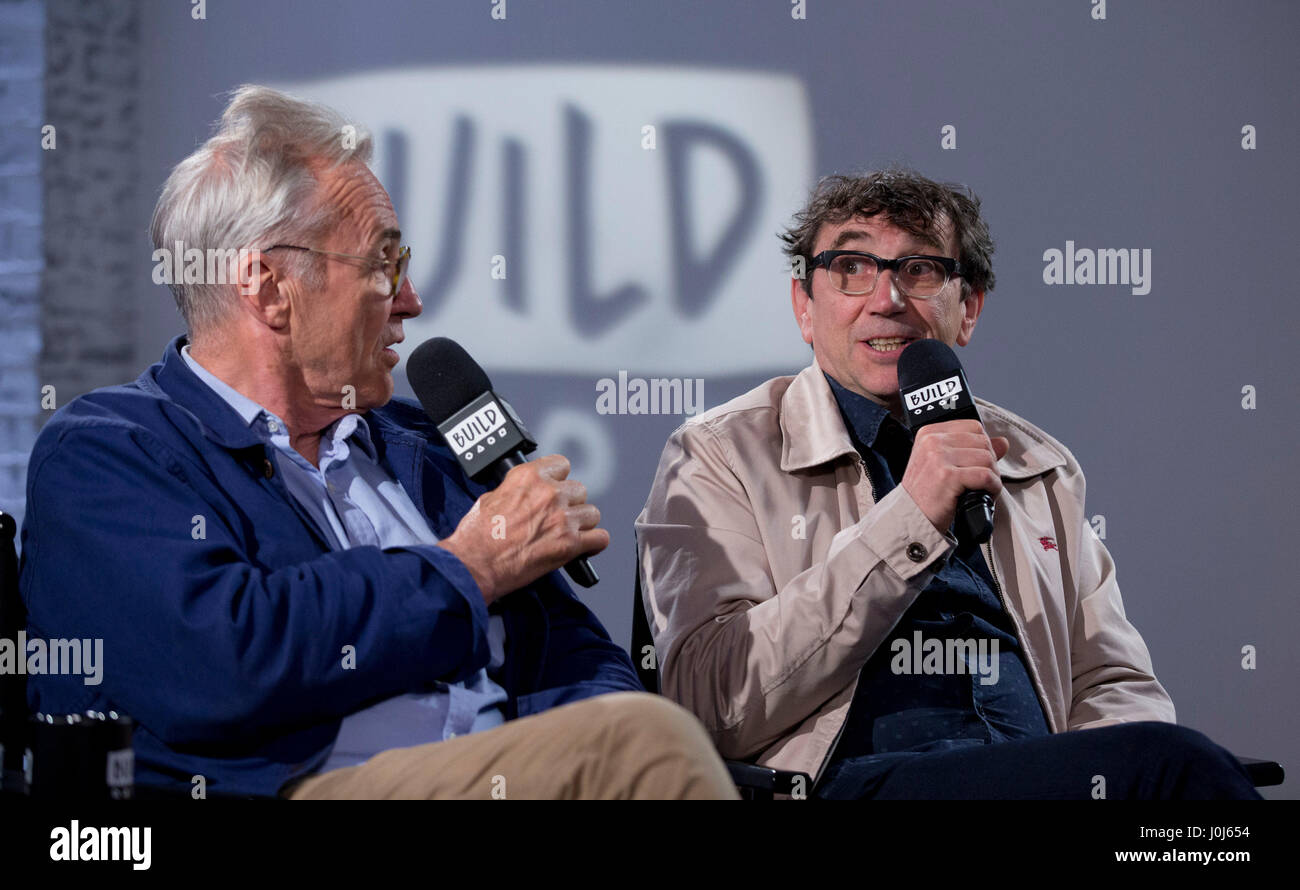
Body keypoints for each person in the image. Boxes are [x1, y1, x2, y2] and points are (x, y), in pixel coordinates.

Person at [19, 85, 736, 800]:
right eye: (383, 263)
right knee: (647, 747)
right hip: (293, 789)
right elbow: (220, 659)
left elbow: (574, 655)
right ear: (270, 289)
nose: (411, 300)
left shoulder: (425, 446)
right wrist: (468, 566)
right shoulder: (108, 453)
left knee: (638, 728)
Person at [635, 168, 1260, 799]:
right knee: (1180, 775)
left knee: (1176, 795)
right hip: (850, 786)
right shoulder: (721, 452)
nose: (886, 299)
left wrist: (1104, 778)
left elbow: (1111, 680)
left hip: (1036, 779)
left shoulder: (1036, 464)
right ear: (804, 304)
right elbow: (708, 708)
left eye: (921, 270)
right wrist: (910, 518)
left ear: (969, 309)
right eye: (852, 267)